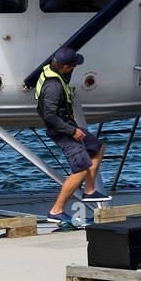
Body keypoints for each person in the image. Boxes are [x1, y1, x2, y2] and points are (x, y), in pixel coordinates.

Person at [36, 46, 108, 222]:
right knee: (80, 169)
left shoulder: (54, 70)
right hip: (62, 130)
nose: (75, 67)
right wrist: (72, 131)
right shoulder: (53, 87)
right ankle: (56, 211)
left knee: (97, 147)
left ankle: (90, 191)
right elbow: (49, 116)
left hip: (69, 125)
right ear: (65, 66)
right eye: (73, 65)